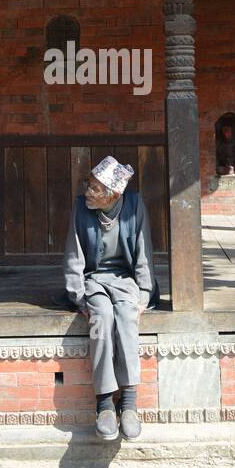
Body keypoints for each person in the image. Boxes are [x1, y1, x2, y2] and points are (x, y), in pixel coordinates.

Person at [62, 156, 154, 442]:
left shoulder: (134, 205)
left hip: (125, 280)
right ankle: (103, 403)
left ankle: (128, 403)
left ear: (113, 194)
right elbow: (73, 256)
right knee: (101, 318)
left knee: (127, 316)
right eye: (88, 184)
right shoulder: (80, 208)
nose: (88, 191)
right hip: (94, 280)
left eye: (95, 188)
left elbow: (143, 252)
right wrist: (79, 298)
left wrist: (144, 295)